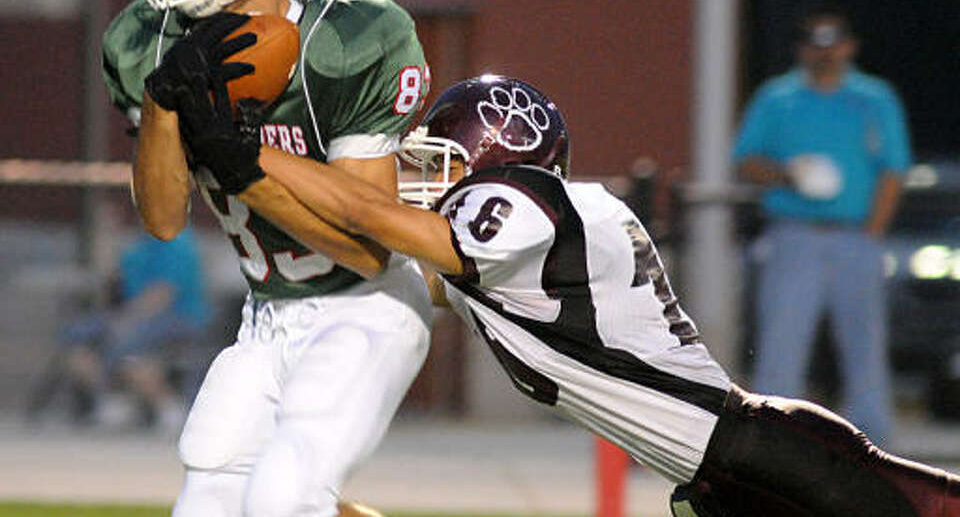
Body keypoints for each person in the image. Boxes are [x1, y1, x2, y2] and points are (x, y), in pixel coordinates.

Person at [177, 72, 958, 516]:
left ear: (500, 161)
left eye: (442, 161)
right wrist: (243, 172)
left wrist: (252, 158)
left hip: (767, 456)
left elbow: (378, 222)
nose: (421, 179)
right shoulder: (507, 254)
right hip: (716, 476)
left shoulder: (539, 206)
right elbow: (365, 250)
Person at [101, 0, 433, 516]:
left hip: (365, 308)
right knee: (205, 505)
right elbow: (165, 219)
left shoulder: (346, 41)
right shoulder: (150, 42)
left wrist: (247, 170)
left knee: (285, 491)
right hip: (265, 316)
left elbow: (370, 249)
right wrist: (164, 105)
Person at [732, 5, 911, 447]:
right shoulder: (778, 98)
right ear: (802, 50)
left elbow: (894, 168)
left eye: (833, 47)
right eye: (816, 47)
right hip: (793, 235)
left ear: (848, 48)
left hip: (856, 238)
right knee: (781, 346)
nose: (825, 56)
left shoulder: (873, 98)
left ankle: (876, 450)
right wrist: (789, 174)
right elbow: (746, 162)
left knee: (865, 351)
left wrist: (873, 231)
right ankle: (772, 444)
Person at [59, 227, 211, 433]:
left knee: (129, 347)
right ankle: (112, 402)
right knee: (78, 337)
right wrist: (105, 236)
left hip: (176, 319)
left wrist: (128, 319)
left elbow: (163, 294)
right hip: (131, 314)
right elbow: (112, 280)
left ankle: (169, 407)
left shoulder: (177, 240)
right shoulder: (141, 241)